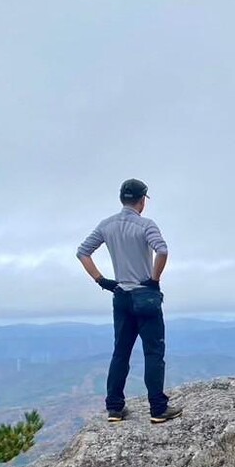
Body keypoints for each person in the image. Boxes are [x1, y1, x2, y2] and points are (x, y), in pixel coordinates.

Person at [76, 178, 181, 423]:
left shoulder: (107, 225)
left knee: (121, 352)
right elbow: (162, 250)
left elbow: (82, 252)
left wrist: (102, 281)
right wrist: (154, 280)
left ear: (121, 198)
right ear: (142, 200)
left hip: (121, 296)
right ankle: (157, 409)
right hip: (145, 297)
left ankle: (114, 408)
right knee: (153, 352)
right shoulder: (146, 225)